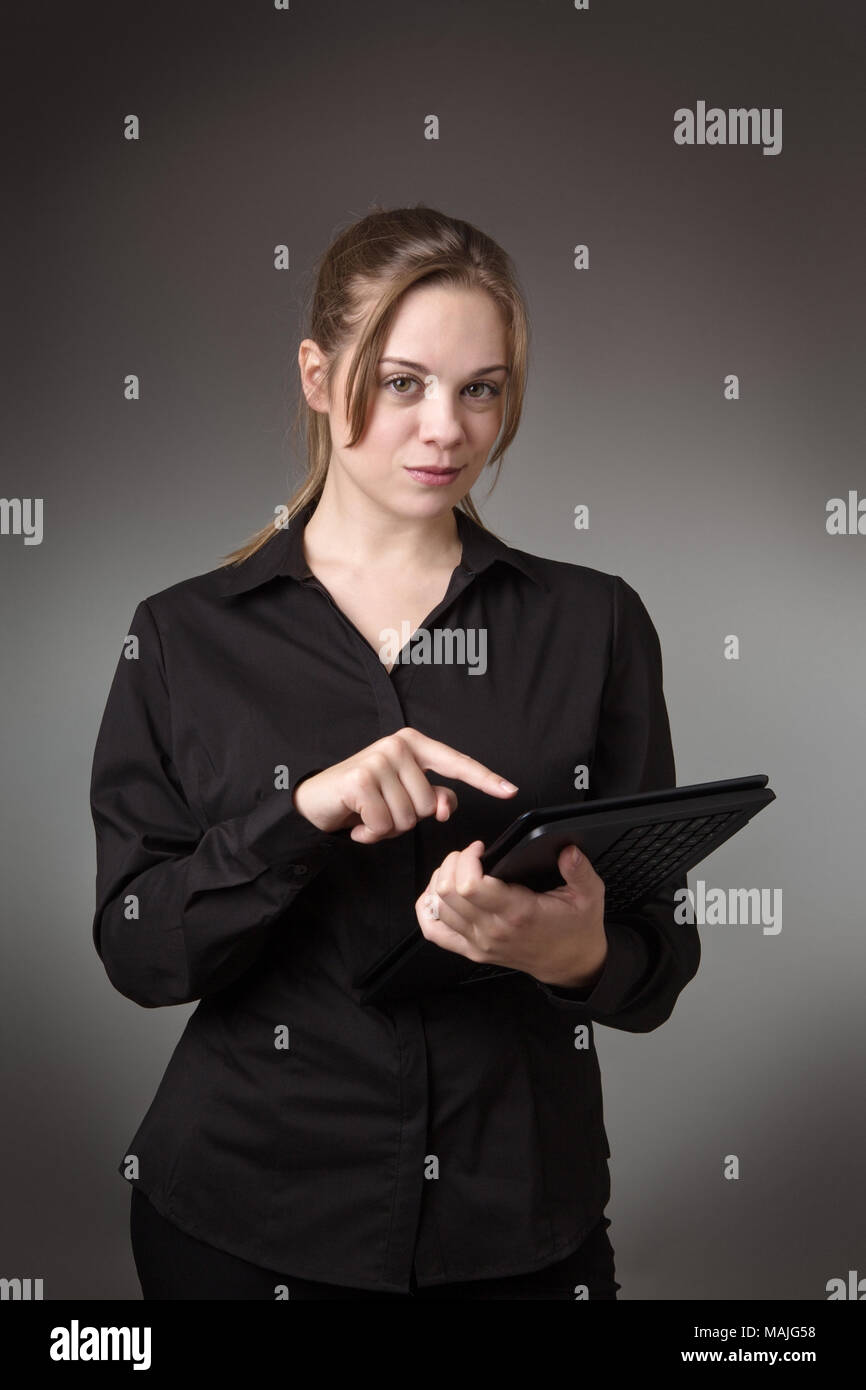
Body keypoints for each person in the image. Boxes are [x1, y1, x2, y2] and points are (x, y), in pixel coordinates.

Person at [90, 203, 701, 1300]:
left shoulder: (594, 622)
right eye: (402, 381)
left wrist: (567, 955)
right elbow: (140, 954)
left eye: (481, 389)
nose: (445, 431)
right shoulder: (182, 635)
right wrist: (298, 817)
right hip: (244, 1222)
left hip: (518, 1223)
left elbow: (657, 953)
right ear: (319, 376)